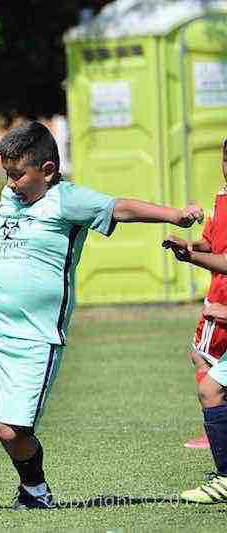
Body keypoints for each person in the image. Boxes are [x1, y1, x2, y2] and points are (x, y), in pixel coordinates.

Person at [0, 121, 204, 510]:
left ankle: (35, 491)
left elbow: (119, 207)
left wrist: (175, 215)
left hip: (32, 339)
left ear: (47, 170)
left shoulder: (67, 200)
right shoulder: (11, 198)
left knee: (11, 433)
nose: (10, 184)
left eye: (17, 174)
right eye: (6, 174)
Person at [162, 137, 227, 503]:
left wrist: (190, 257)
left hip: (223, 301)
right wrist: (188, 246)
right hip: (219, 298)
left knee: (209, 380)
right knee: (204, 367)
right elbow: (215, 246)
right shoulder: (222, 199)